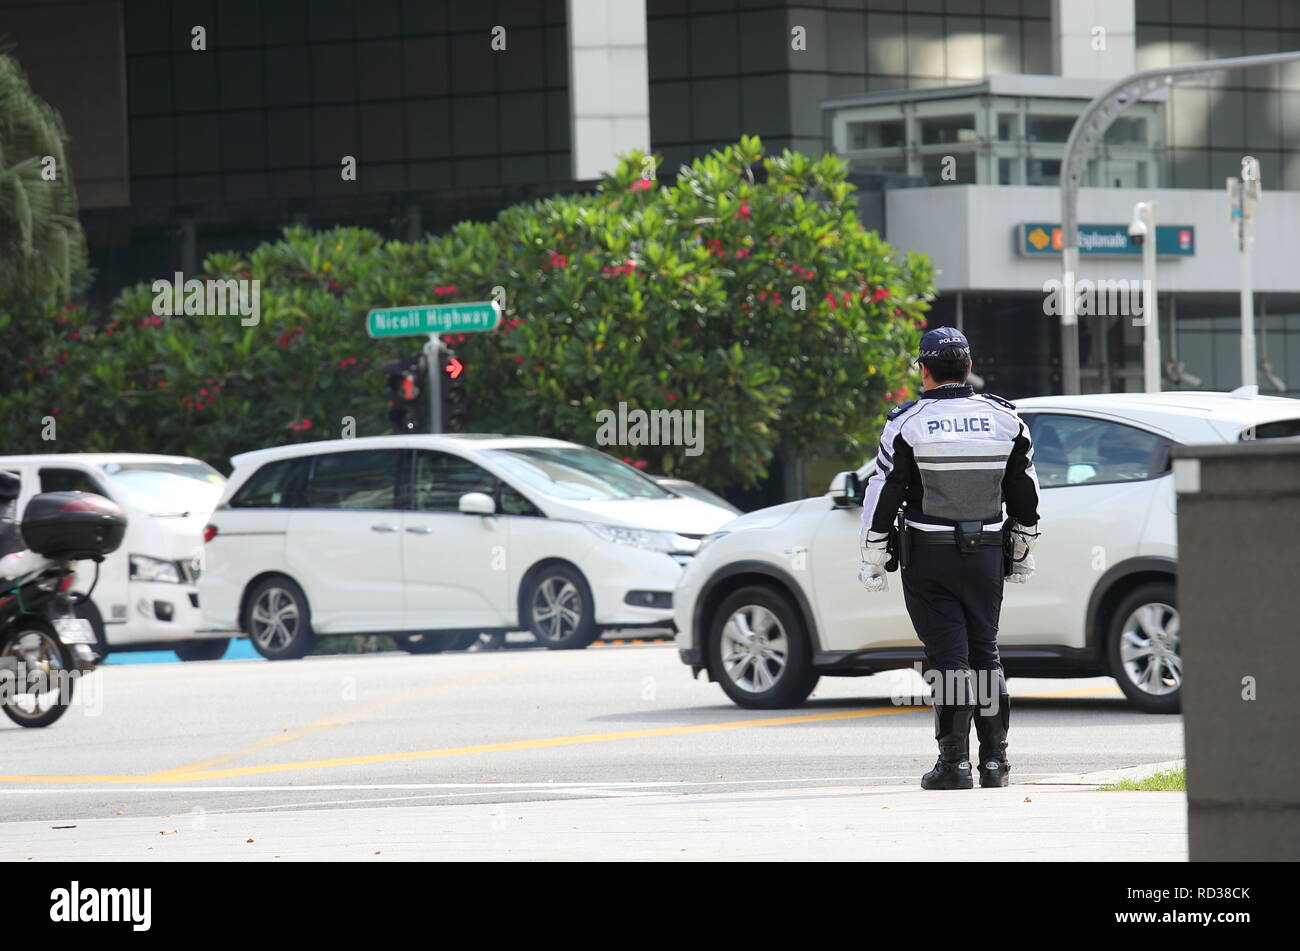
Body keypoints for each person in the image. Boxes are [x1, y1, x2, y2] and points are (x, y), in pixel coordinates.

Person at [858, 328, 1041, 789]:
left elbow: (885, 490)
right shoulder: (1005, 419)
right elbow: (1024, 490)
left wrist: (872, 552)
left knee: (949, 660)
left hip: (930, 556)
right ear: (969, 368)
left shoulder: (908, 422)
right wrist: (1023, 547)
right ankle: (996, 765)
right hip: (987, 555)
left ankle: (954, 764)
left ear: (924, 370)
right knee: (986, 653)